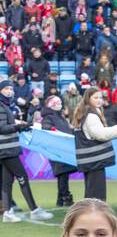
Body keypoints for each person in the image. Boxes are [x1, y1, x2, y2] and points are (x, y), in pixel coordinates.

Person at [71, 86, 117, 203]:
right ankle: (95, 218)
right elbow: (101, 135)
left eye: (100, 97)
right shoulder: (91, 115)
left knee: (91, 194)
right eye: (95, 97)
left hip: (89, 161)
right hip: (95, 161)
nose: (99, 100)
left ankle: (89, 217)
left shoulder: (84, 113)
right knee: (97, 197)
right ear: (88, 98)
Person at [0, 81, 49, 222]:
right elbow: (2, 128)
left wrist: (21, 125)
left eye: (11, 88)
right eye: (6, 88)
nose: (10, 91)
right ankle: (34, 209)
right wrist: (18, 127)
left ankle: (8, 212)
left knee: (7, 182)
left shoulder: (5, 105)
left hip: (7, 148)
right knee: (22, 177)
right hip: (6, 148)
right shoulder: (1, 106)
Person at [38, 96, 77, 208]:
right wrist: (55, 131)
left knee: (63, 174)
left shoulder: (60, 116)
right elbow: (46, 127)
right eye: (58, 103)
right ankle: (66, 197)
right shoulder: (49, 117)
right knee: (62, 174)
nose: (60, 104)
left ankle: (60, 199)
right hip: (56, 150)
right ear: (52, 105)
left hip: (64, 149)